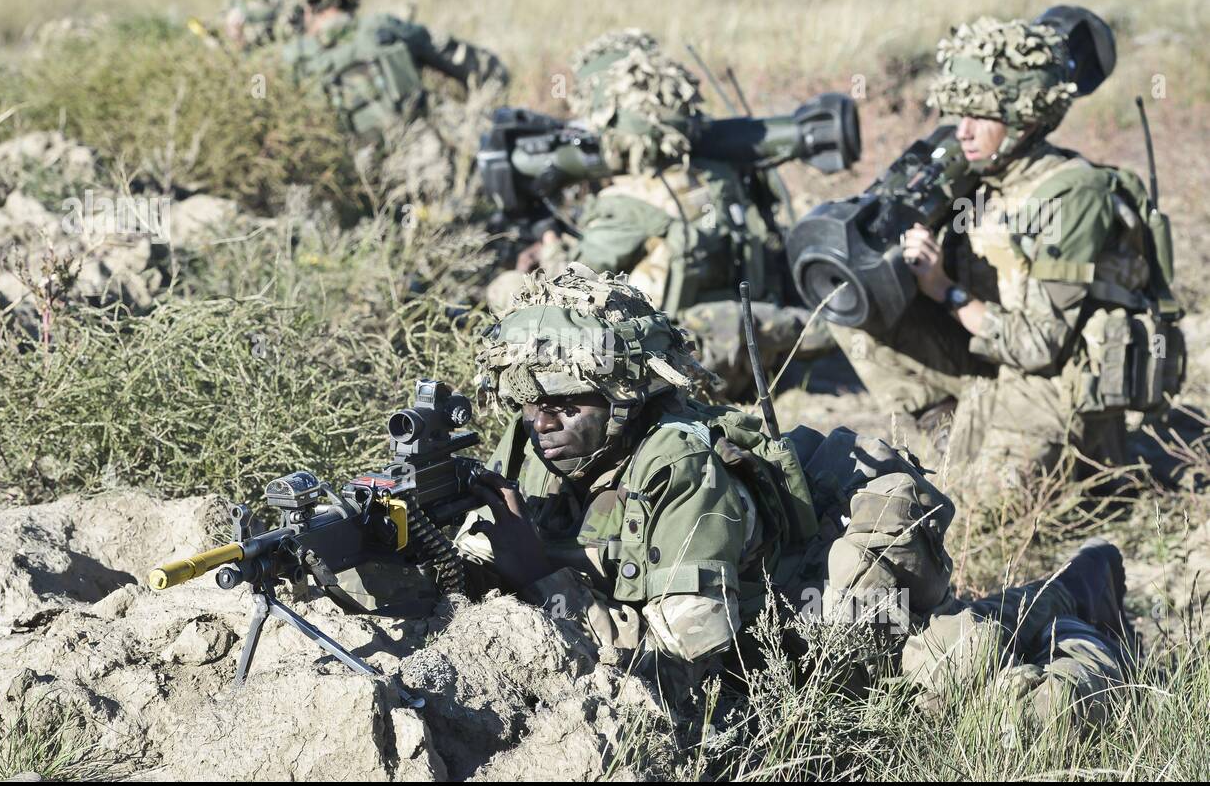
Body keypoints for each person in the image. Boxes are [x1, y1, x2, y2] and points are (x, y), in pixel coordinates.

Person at [459, 263, 1136, 728]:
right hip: (719, 608)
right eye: (527, 400)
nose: (542, 421)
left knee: (1001, 701)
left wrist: (542, 580)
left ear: (623, 393)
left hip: (805, 616)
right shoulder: (540, 441)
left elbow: (684, 656)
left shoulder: (681, 466)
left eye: (567, 402)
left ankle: (1073, 607)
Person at [830, 16, 1182, 497]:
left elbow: (1041, 346)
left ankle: (1080, 473)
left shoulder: (1073, 195)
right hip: (993, 365)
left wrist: (945, 290)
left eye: (983, 118)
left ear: (1026, 120)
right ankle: (955, 444)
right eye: (961, 115)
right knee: (854, 308)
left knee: (975, 515)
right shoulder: (985, 178)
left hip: (1054, 386)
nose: (965, 132)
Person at [488, 30, 830, 398]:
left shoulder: (628, 204)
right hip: (753, 357)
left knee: (507, 290)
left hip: (679, 372)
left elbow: (571, 293)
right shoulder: (719, 174)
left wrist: (550, 249)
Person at [279, 0, 509, 212]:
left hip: (361, 196)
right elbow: (482, 66)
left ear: (308, 8)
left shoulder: (293, 62)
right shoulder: (383, 28)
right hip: (438, 174)